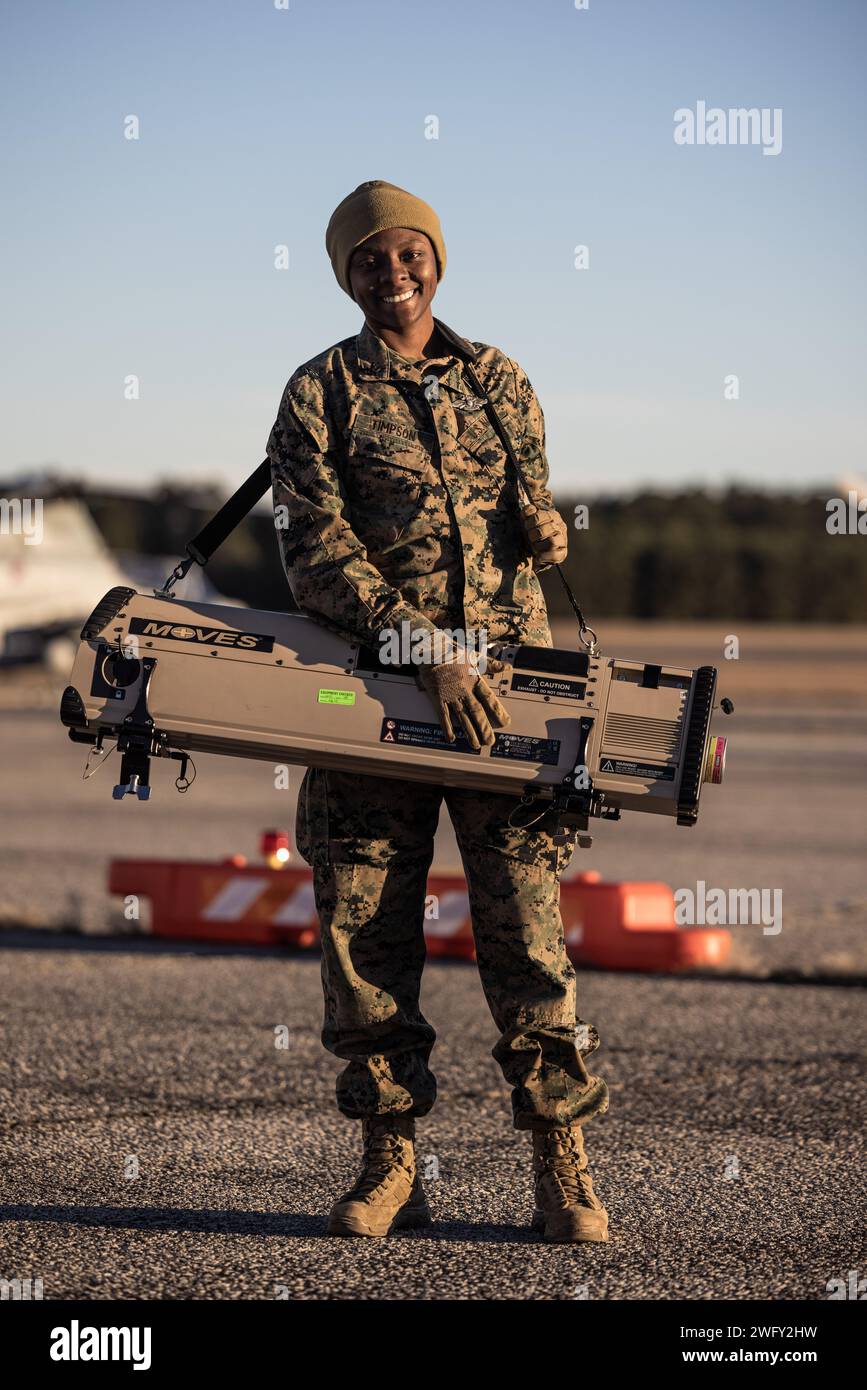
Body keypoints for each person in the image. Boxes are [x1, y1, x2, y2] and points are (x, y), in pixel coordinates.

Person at [266, 180, 609, 1243]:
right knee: (367, 940)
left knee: (528, 940)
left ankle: (563, 1169)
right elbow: (313, 550)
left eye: (407, 250)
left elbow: (527, 506)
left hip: (499, 704)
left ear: (437, 259)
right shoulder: (320, 390)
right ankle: (392, 1165)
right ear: (348, 279)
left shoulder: (502, 380)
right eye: (367, 259)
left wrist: (545, 530)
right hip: (372, 700)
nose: (392, 270)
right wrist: (423, 647)